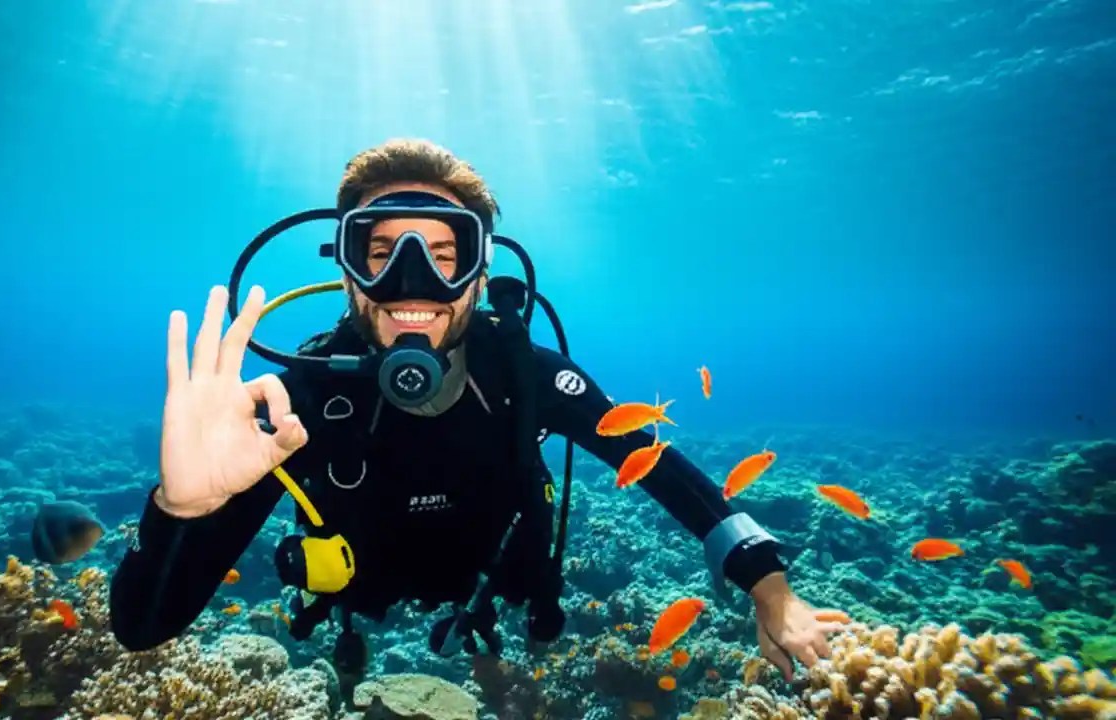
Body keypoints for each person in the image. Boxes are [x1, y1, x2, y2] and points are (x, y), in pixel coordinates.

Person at [109, 138, 842, 689]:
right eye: (382, 252)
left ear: (481, 274)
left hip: (494, 581)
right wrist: (183, 506)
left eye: (442, 254)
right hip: (364, 591)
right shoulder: (298, 402)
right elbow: (143, 628)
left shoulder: (530, 378)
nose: (410, 283)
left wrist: (771, 590)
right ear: (346, 272)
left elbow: (665, 471)